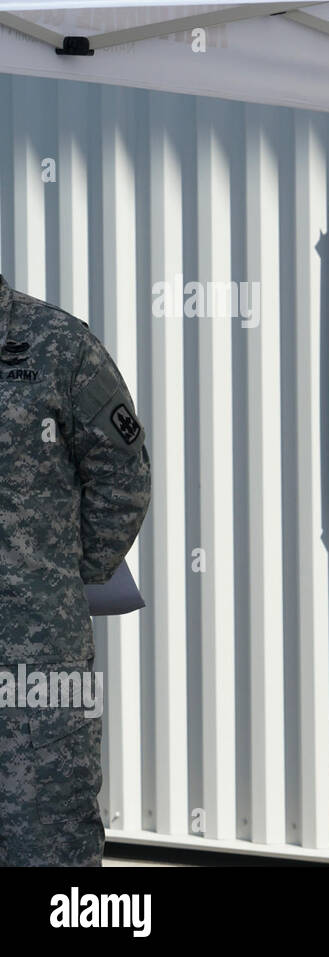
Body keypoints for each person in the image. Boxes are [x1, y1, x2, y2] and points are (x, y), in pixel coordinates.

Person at [0, 274, 152, 866]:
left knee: (47, 834)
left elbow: (122, 480)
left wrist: (54, 581)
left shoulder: (57, 345)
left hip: (36, 663)